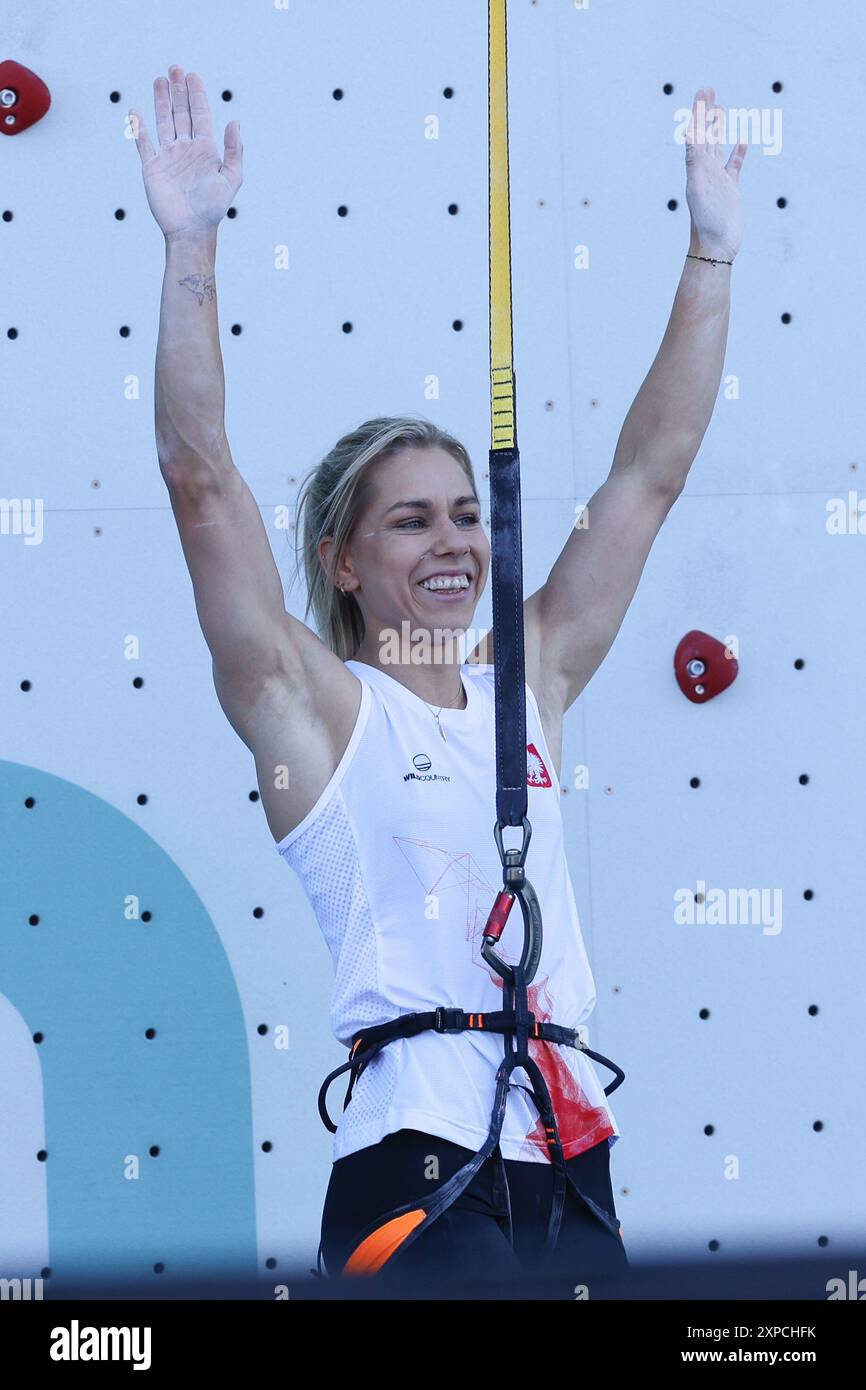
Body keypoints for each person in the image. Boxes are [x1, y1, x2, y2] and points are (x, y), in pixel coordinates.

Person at [132, 65, 744, 1289]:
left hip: (568, 1158)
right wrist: (190, 248)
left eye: (466, 515)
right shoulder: (312, 706)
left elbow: (648, 476)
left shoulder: (536, 675)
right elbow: (200, 484)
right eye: (409, 523)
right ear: (341, 561)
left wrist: (711, 257)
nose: (454, 541)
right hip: (413, 1164)